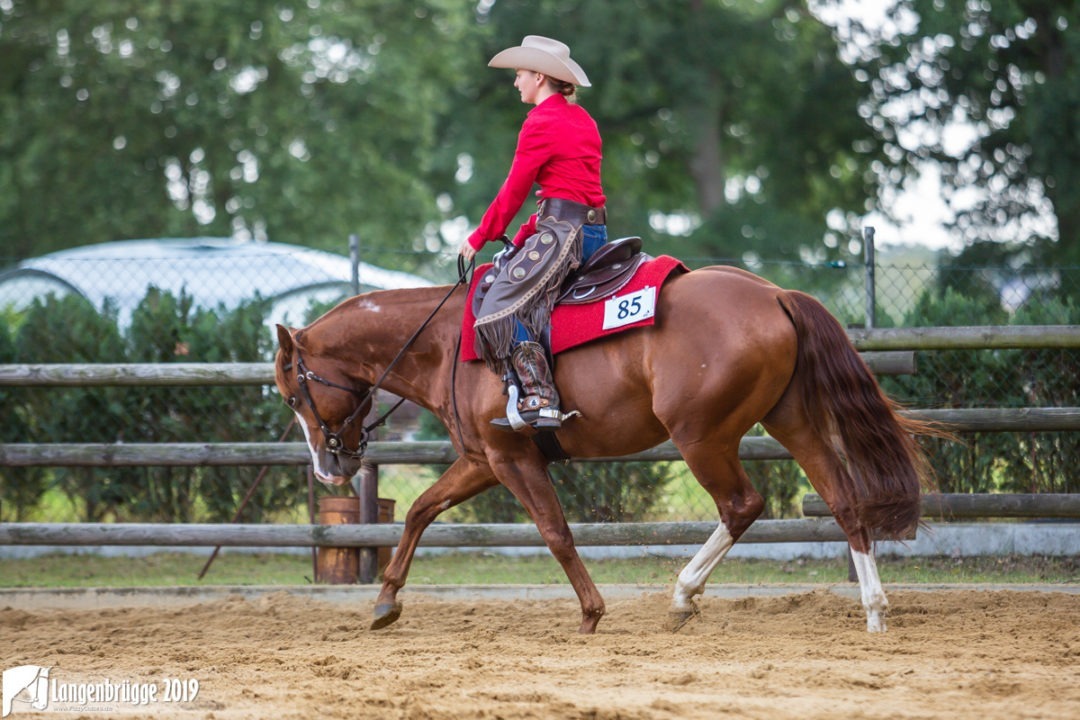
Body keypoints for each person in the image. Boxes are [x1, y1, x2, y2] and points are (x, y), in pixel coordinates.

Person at [459, 35, 608, 431]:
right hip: (591, 229)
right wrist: (528, 232)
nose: (516, 82)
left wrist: (479, 237)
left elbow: (514, 190)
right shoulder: (583, 119)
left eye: (520, 74)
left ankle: (540, 395)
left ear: (539, 77)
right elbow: (565, 192)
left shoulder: (541, 122)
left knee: (494, 310)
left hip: (565, 235)